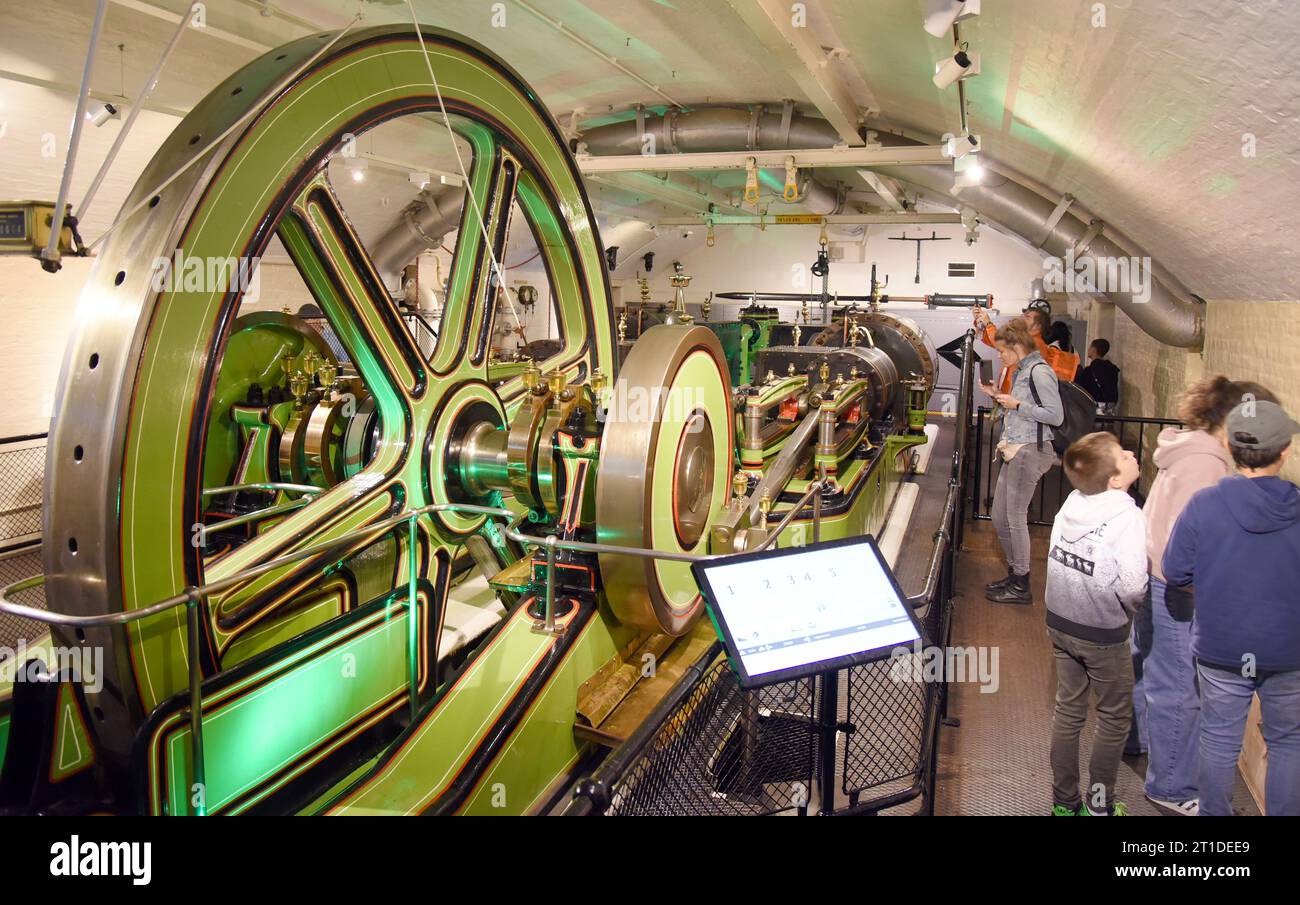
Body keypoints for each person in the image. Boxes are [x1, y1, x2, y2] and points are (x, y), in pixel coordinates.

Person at [1135, 377, 1277, 816]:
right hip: (1176, 589)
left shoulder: (1186, 448)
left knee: (1152, 674)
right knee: (1180, 690)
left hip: (1152, 576)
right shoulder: (1207, 464)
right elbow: (1194, 544)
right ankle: (1171, 786)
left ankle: (1143, 744)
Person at [1163, 400, 1300, 817]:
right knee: (1288, 743)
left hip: (1222, 646)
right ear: (1285, 451)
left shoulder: (1204, 504)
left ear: (1228, 446)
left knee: (1219, 739)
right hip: (1288, 650)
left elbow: (1175, 570)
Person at [1046, 432, 1146, 816]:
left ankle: (1064, 805)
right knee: (1114, 718)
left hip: (1061, 622)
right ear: (1115, 479)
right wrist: (1126, 611)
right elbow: (1133, 586)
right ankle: (1099, 806)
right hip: (1102, 632)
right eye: (1123, 454)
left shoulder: (1072, 501)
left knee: (1069, 712)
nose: (1131, 453)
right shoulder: (1128, 517)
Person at [981, 319, 1064, 605]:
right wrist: (998, 396)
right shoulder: (1022, 371)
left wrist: (1017, 404)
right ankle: (1016, 571)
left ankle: (1021, 583)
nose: (1000, 356)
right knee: (999, 517)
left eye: (1002, 351)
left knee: (1014, 518)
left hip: (1029, 450)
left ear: (1016, 346)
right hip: (1016, 449)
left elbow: (1055, 415)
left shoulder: (1040, 371)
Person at [973, 302, 1079, 395]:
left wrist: (988, 323)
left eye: (1027, 317)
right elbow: (1000, 342)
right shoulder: (1023, 339)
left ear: (1038, 326)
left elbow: (1001, 342)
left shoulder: (1035, 343)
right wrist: (980, 321)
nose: (1022, 318)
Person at [1076, 339, 1120, 415]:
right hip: (1110, 412)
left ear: (1094, 349)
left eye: (1090, 347)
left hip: (1094, 411)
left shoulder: (1089, 371)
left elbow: (1082, 391)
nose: (1088, 349)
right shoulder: (1112, 370)